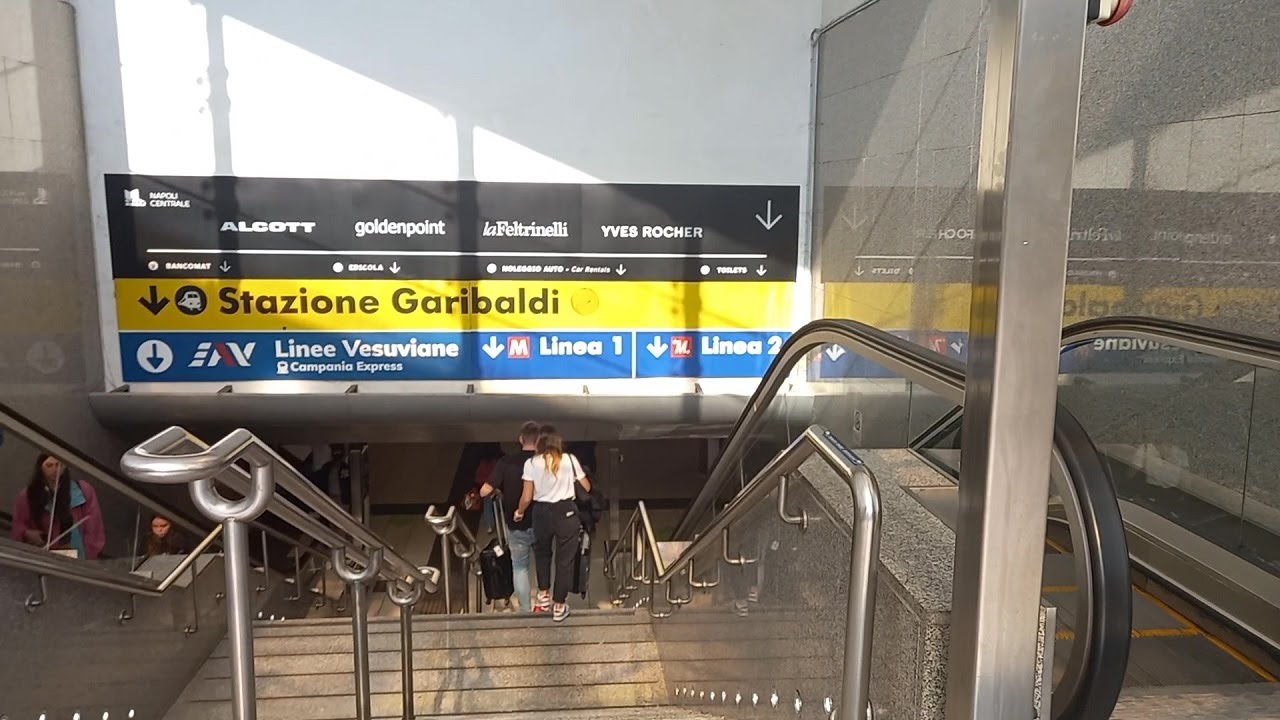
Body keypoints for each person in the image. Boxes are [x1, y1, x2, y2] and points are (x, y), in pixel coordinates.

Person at [514, 424, 590, 622]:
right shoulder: (569, 460)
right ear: (558, 441)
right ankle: (559, 605)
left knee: (542, 554)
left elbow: (527, 496)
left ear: (539, 442)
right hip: (565, 512)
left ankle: (544, 595)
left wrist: (520, 512)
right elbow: (587, 487)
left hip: (541, 512)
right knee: (564, 561)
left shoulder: (531, 463)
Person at [479, 421, 540, 611]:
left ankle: (525, 609)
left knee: (520, 568)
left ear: (521, 439)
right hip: (541, 523)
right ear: (539, 440)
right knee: (543, 563)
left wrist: (497, 490)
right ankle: (545, 602)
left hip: (516, 525)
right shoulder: (544, 462)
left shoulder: (506, 462)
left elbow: (483, 491)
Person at [10, 454, 105, 560]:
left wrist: (86, 558)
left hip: (78, 558)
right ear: (40, 467)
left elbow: (94, 529)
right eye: (49, 465)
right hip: (42, 559)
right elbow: (17, 525)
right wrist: (26, 533)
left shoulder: (83, 490)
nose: (55, 470)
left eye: (59, 465)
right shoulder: (27, 496)